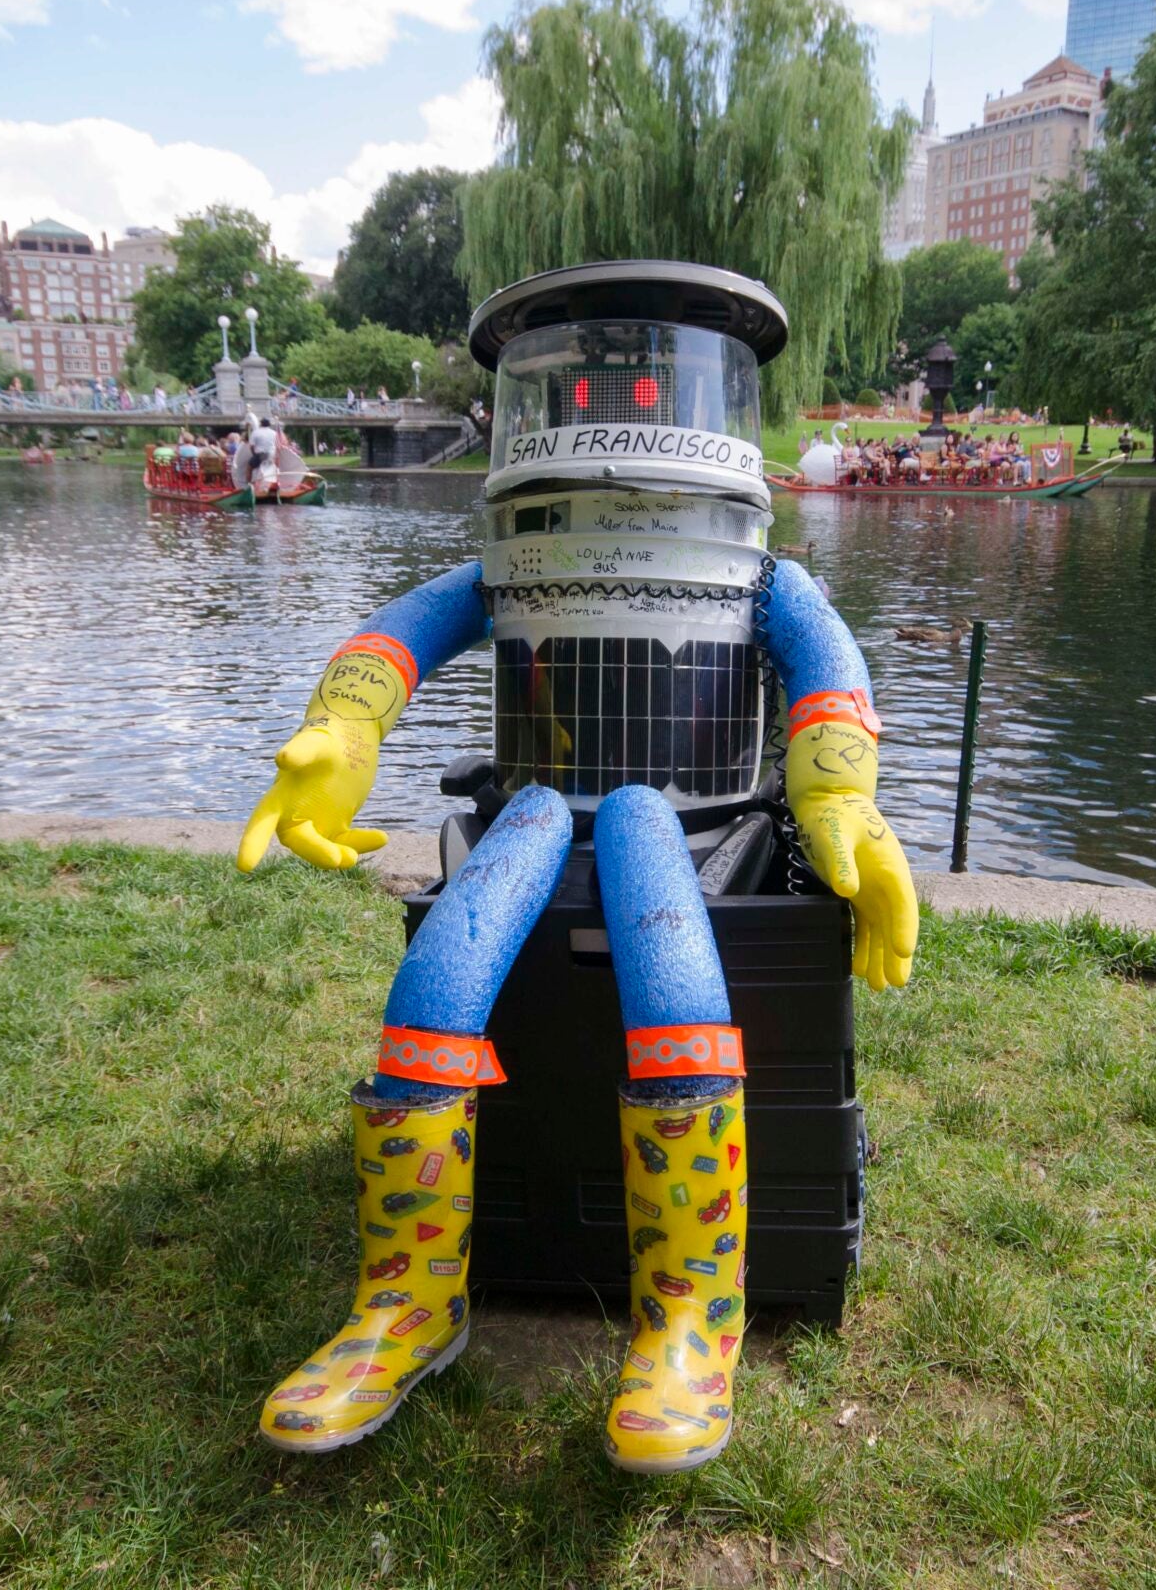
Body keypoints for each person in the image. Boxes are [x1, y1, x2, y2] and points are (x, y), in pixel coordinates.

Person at [237, 259, 917, 1476]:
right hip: (536, 809)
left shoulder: (766, 579)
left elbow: (824, 678)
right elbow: (395, 641)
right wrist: (343, 728)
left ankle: (689, 1316)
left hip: (691, 827)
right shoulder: (508, 569)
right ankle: (407, 1303)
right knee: (441, 975)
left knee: (659, 931)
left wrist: (839, 804)